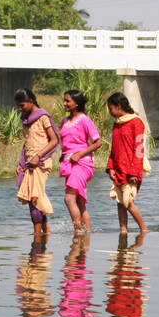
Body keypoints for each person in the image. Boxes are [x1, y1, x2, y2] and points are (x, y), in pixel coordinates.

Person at [15, 87, 59, 236]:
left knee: (35, 198)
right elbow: (27, 143)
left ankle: (37, 235)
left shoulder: (43, 117)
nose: (20, 109)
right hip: (29, 164)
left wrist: (38, 156)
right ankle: (45, 231)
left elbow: (54, 140)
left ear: (31, 101)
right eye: (18, 106)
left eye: (22, 105)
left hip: (41, 163)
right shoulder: (26, 120)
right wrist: (21, 163)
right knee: (32, 198)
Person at [105, 91, 148, 234]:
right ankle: (123, 230)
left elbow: (139, 149)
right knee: (120, 201)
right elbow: (114, 147)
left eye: (111, 108)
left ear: (118, 106)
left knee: (128, 202)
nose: (110, 112)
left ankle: (144, 229)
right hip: (118, 168)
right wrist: (110, 166)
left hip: (130, 170)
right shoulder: (117, 123)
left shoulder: (136, 122)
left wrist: (134, 172)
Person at [58, 89, 101, 233]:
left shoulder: (84, 119)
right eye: (64, 100)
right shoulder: (64, 121)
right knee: (79, 201)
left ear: (76, 104)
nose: (64, 103)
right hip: (69, 164)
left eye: (67, 101)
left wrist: (79, 154)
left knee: (69, 198)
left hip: (83, 163)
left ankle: (77, 232)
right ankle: (87, 234)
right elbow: (67, 142)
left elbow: (98, 142)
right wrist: (63, 155)